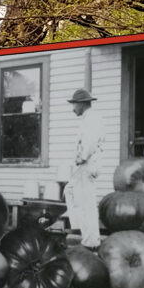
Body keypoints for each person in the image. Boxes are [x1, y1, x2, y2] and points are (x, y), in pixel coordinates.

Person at [66, 89, 104, 249]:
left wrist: (81, 158)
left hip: (86, 164)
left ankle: (90, 241)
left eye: (74, 104)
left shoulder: (91, 120)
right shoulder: (90, 118)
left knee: (85, 203)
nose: (73, 108)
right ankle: (88, 238)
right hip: (87, 164)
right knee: (75, 196)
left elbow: (89, 142)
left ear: (81, 104)